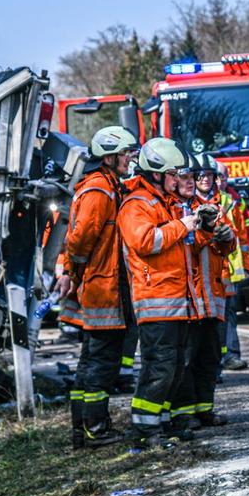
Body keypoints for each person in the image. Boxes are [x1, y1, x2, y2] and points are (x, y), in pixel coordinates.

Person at [117, 138, 204, 447]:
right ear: (156, 173)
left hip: (175, 301)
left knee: (174, 366)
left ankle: (162, 422)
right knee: (159, 368)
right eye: (172, 174)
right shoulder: (137, 204)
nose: (177, 180)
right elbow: (145, 242)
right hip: (156, 301)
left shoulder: (165, 202)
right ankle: (143, 431)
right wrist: (182, 226)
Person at [61, 126, 139, 448]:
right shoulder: (99, 190)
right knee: (101, 365)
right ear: (109, 157)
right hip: (102, 289)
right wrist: (76, 272)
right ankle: (96, 429)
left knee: (90, 363)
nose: (130, 159)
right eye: (125, 154)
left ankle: (82, 430)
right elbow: (79, 241)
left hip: (102, 287)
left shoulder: (109, 186)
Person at [172, 154, 233, 430]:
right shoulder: (175, 211)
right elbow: (187, 245)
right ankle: (184, 414)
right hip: (187, 300)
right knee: (186, 359)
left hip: (210, 298)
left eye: (195, 177)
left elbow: (227, 243)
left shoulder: (209, 208)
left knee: (209, 357)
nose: (193, 182)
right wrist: (206, 230)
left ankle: (205, 410)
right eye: (188, 177)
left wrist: (228, 238)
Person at [213, 161, 249, 371]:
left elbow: (245, 235)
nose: (219, 181)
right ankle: (217, 359)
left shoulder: (234, 201)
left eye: (222, 177)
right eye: (216, 177)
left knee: (229, 314)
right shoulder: (201, 201)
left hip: (229, 269)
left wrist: (248, 265)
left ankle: (231, 355)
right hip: (212, 270)